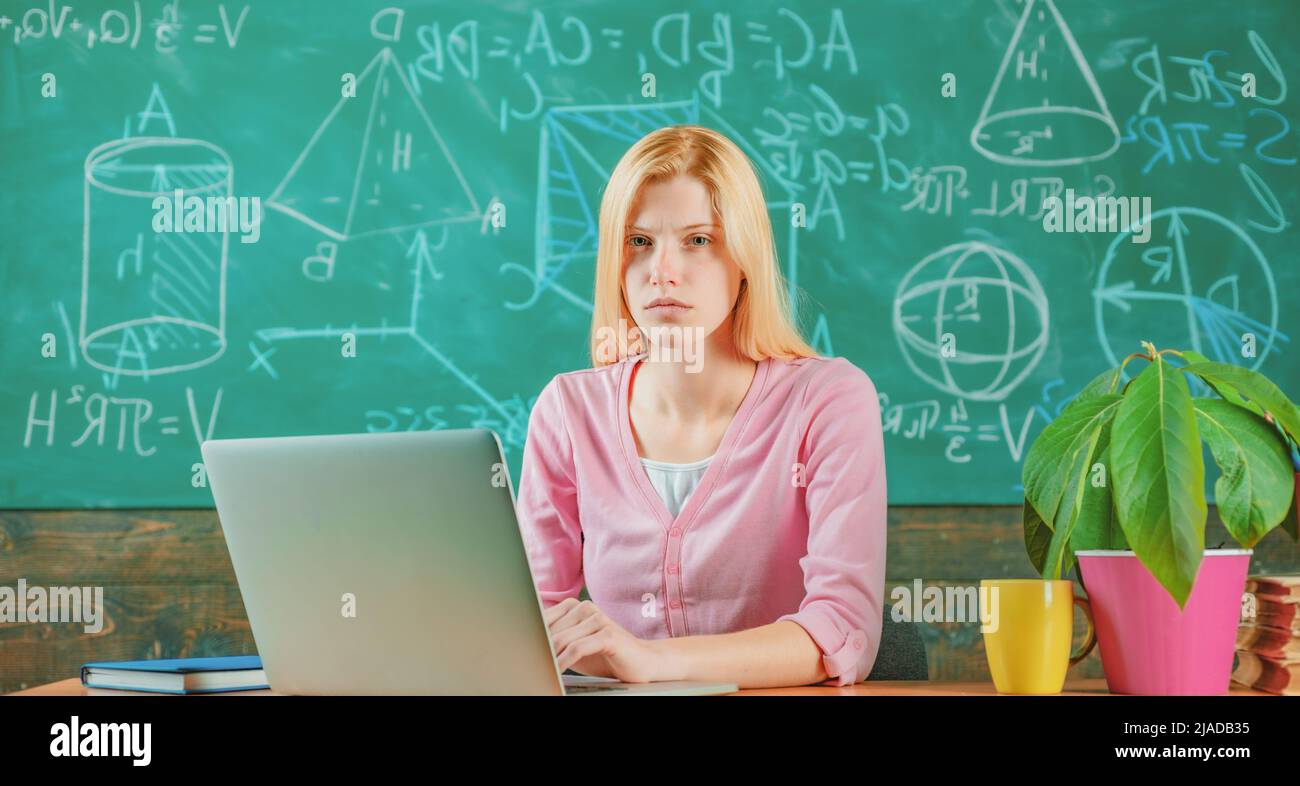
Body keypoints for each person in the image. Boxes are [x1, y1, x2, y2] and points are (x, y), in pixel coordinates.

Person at [516, 124, 887, 689]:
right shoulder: (568, 410)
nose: (663, 269)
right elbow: (528, 623)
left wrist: (650, 662)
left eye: (697, 240)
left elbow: (842, 630)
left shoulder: (829, 401)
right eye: (639, 241)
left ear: (745, 259)